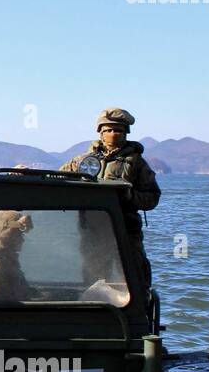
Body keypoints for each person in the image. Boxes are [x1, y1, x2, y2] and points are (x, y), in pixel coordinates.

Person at [59, 107, 161, 288]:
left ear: (125, 133)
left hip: (125, 229)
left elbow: (152, 197)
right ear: (100, 133)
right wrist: (23, 173)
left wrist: (130, 196)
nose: (112, 134)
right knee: (94, 278)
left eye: (118, 130)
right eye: (108, 130)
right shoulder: (82, 161)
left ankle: (137, 311)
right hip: (93, 230)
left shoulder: (136, 162)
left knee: (134, 275)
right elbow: (57, 179)